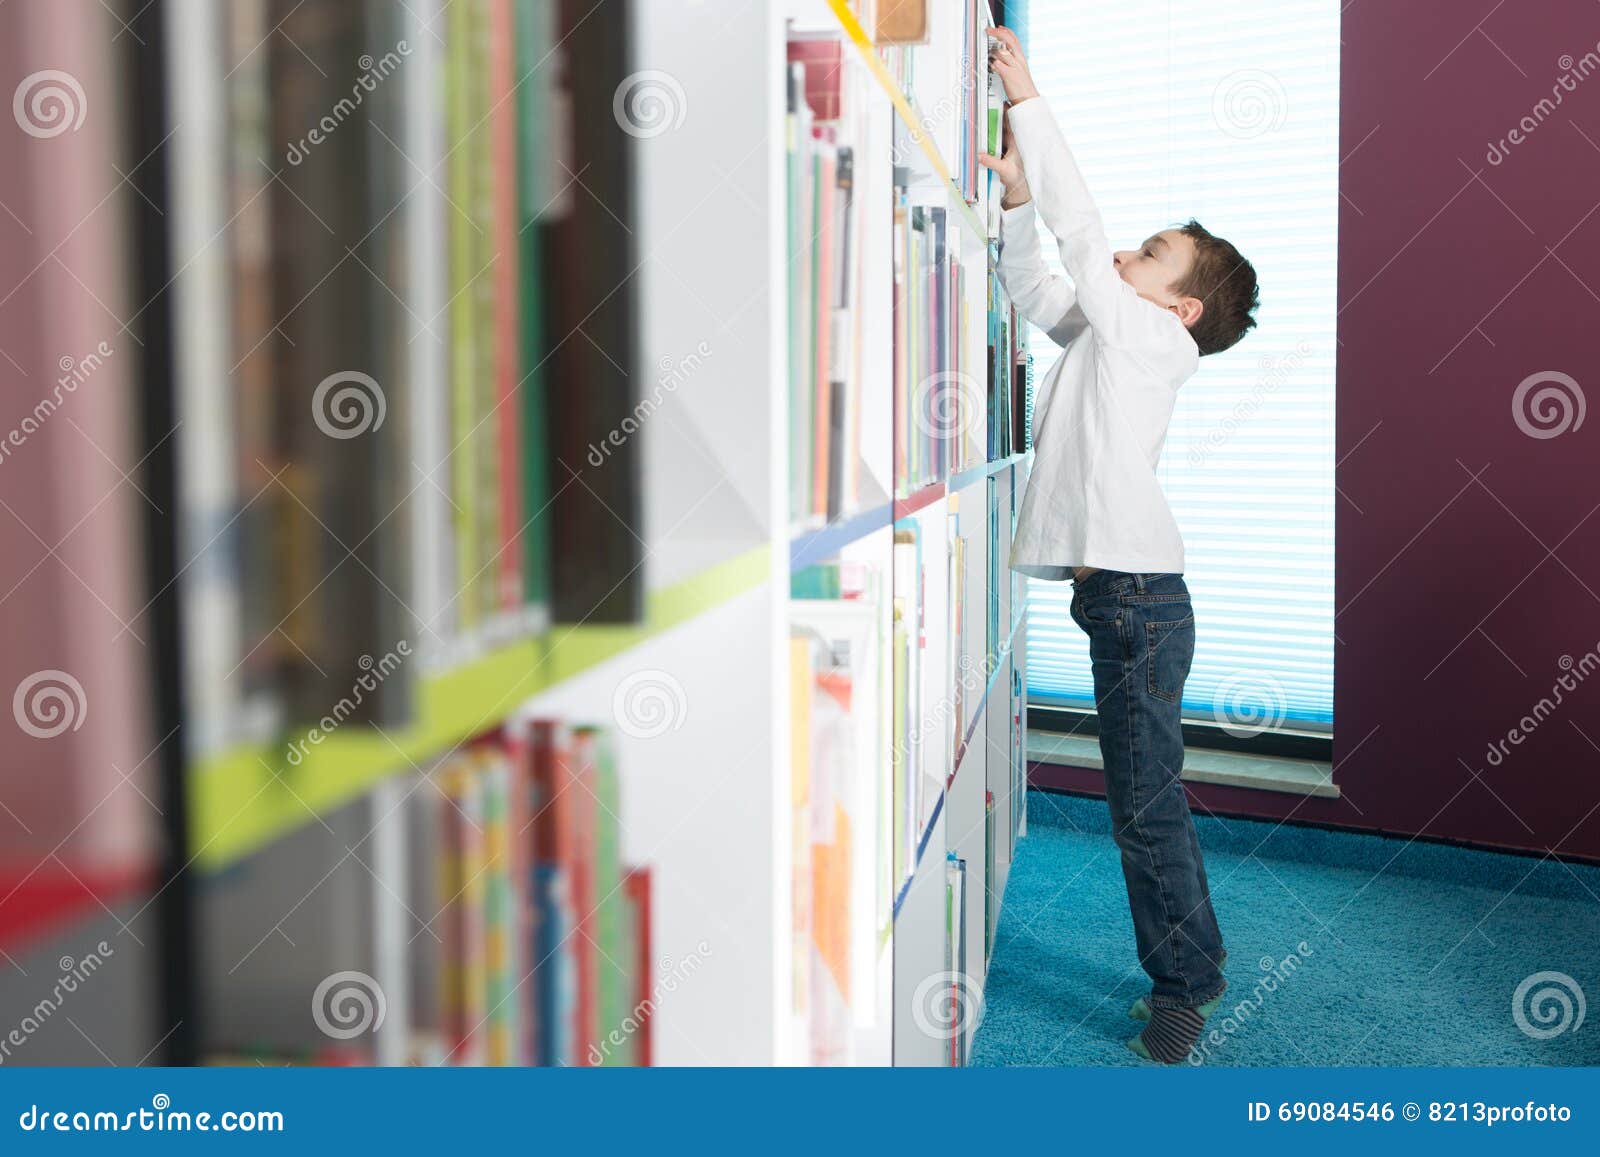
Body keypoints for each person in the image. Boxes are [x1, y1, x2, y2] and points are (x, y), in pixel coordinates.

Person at [981, 27, 1260, 1064]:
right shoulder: (1115, 336)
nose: (1121, 258)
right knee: (1142, 796)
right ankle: (1187, 967)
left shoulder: (1156, 341)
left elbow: (1080, 230)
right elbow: (1038, 290)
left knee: (1144, 802)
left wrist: (1027, 99)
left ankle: (1187, 981)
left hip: (1138, 600)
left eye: (1148, 256)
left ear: (1181, 308)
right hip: (1123, 600)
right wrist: (1014, 201)